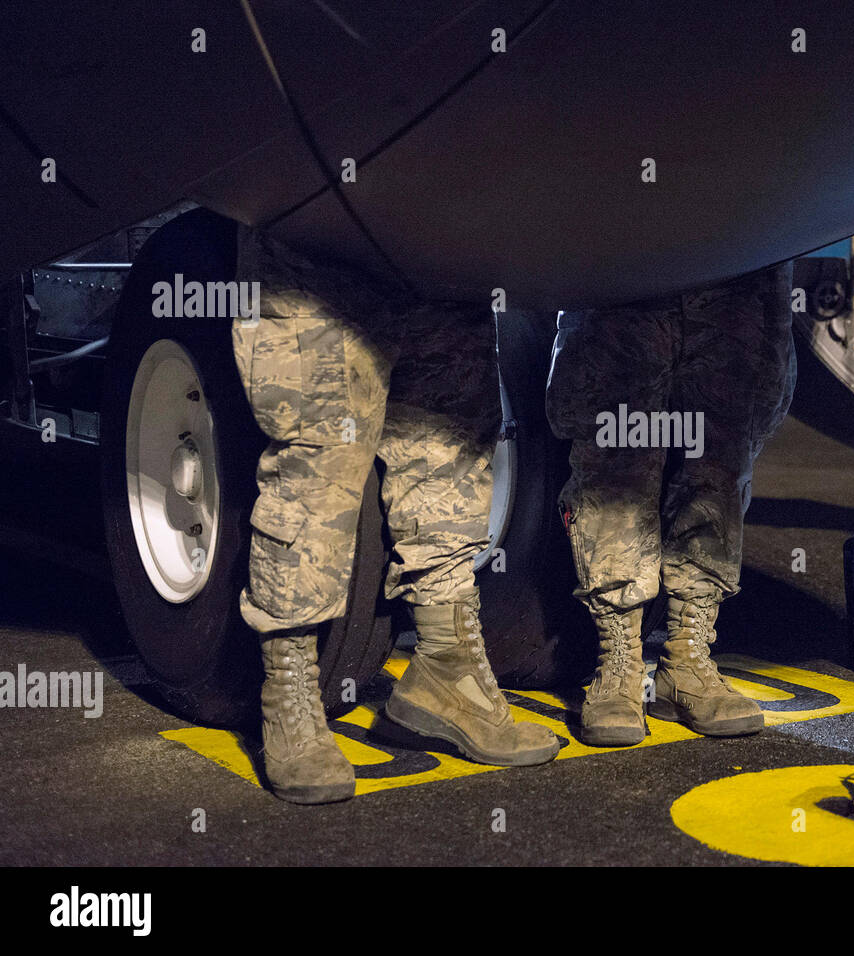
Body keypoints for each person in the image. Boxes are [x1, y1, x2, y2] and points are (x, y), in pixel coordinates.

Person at [233, 229, 559, 804]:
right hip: (324, 236)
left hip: (445, 248)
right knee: (316, 466)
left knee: (450, 460)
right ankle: (288, 689)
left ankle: (447, 671)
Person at [546, 262, 796, 745]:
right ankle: (619, 661)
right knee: (616, 458)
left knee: (719, 461)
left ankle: (687, 659)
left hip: (741, 264)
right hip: (627, 262)